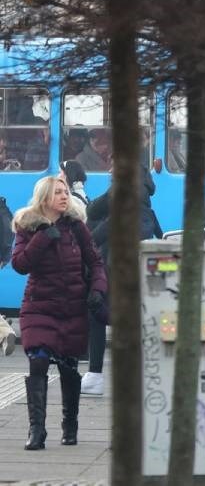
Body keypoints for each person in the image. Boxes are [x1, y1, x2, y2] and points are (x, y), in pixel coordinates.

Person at [12, 176, 107, 450]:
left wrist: (97, 289)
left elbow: (95, 262)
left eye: (65, 192)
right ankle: (37, 431)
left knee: (68, 367)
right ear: (44, 198)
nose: (65, 196)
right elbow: (20, 264)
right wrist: (42, 238)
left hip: (72, 307)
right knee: (38, 360)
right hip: (39, 305)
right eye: (58, 192)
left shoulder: (76, 226)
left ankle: (70, 426)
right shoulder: (28, 226)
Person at [83, 166, 162, 396]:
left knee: (96, 315)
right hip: (139, 276)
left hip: (114, 272)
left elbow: (94, 226)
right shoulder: (147, 207)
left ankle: (95, 375)